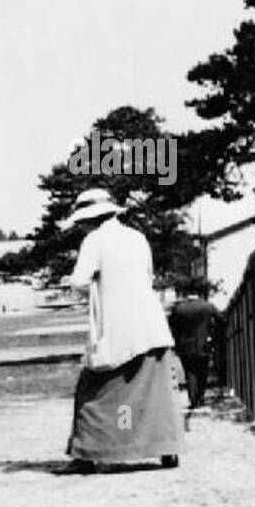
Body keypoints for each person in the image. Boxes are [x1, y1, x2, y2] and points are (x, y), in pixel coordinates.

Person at [63, 189, 184, 473]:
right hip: (151, 327)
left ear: (89, 219)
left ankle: (91, 454)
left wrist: (73, 282)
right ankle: (165, 448)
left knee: (96, 396)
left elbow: (80, 280)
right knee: (151, 396)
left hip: (118, 332)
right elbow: (147, 275)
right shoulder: (138, 238)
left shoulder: (94, 240)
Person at [168, 280, 220, 410]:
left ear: (186, 293)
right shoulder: (207, 306)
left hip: (184, 346)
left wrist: (176, 340)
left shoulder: (178, 309)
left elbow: (171, 326)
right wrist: (213, 335)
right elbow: (222, 320)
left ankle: (193, 399)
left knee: (189, 371)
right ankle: (200, 397)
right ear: (200, 292)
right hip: (204, 344)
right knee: (202, 371)